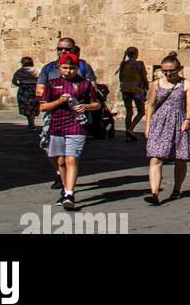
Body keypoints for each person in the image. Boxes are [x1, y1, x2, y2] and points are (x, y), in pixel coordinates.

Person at [39, 51, 101, 210]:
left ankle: (69, 194)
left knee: (71, 159)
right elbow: (43, 106)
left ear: (77, 68)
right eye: (65, 67)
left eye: (72, 68)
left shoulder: (85, 84)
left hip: (77, 125)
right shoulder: (52, 84)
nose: (68, 71)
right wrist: (59, 101)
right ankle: (65, 188)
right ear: (60, 67)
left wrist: (85, 106)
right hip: (57, 124)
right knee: (60, 160)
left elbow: (97, 105)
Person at [143, 52, 190, 205]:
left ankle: (177, 189)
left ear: (179, 68)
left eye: (171, 70)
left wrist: (188, 119)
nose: (168, 73)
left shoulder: (186, 84)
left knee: (180, 158)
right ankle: (154, 193)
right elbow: (151, 105)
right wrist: (147, 126)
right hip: (159, 123)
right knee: (155, 157)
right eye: (164, 71)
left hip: (179, 122)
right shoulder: (156, 84)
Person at [116, 47, 148, 141]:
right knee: (141, 112)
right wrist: (147, 87)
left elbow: (120, 78)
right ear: (136, 54)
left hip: (126, 90)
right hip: (137, 90)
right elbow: (144, 77)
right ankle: (130, 129)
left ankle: (128, 136)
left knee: (129, 112)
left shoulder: (123, 64)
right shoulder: (139, 64)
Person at [12, 57, 39, 130]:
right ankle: (31, 124)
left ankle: (31, 124)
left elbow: (14, 81)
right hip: (34, 89)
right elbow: (40, 79)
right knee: (32, 107)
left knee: (26, 107)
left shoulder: (19, 71)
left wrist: (20, 85)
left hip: (24, 90)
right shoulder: (36, 70)